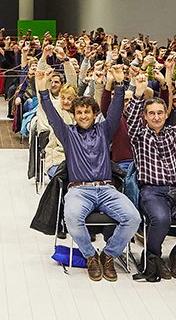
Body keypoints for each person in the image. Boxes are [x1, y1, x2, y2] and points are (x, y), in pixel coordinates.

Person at [40, 63, 138, 282]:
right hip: (79, 190)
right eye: (79, 112)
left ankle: (109, 255)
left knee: (133, 218)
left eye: (87, 112)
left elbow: (115, 110)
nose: (83, 115)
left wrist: (119, 84)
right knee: (72, 217)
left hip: (106, 188)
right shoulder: (67, 133)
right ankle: (90, 256)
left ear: (95, 114)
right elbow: (50, 112)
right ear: (74, 115)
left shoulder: (105, 130)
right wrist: (42, 90)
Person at [124, 64, 176, 282]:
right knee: (161, 219)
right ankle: (152, 257)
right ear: (146, 116)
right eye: (151, 113)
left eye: (160, 113)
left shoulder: (173, 132)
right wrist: (139, 93)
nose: (157, 117)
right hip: (151, 191)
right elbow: (131, 117)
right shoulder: (138, 134)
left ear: (165, 114)